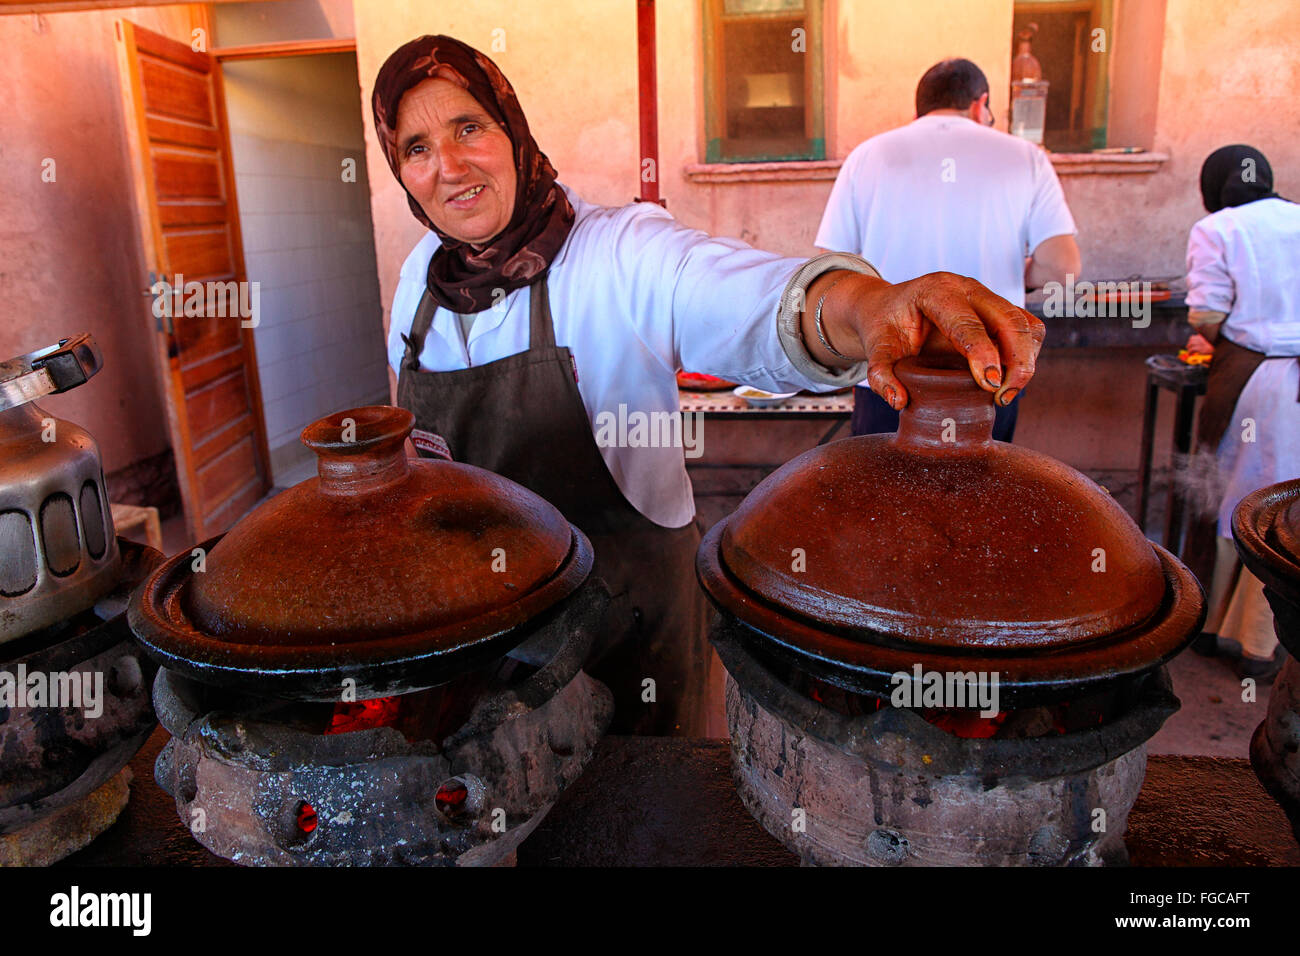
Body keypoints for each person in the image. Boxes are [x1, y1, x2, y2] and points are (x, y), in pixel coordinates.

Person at [372, 36, 1043, 735]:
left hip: (626, 638)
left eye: (469, 128)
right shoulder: (419, 285)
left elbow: (745, 296)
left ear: (510, 130)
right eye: (416, 147)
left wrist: (865, 307)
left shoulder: (618, 253)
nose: (449, 167)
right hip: (487, 649)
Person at [814, 58, 1079, 442]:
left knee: (880, 498)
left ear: (919, 109)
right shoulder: (1025, 157)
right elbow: (1062, 268)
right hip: (987, 377)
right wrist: (1017, 272)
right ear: (979, 104)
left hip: (890, 377)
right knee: (977, 498)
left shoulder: (867, 156)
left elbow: (827, 271)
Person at [1182, 144, 1300, 681]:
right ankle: (1265, 642)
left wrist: (1214, 338)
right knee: (1288, 505)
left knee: (1239, 496)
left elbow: (1208, 314)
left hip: (1255, 381)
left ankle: (1216, 630)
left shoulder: (1220, 229)